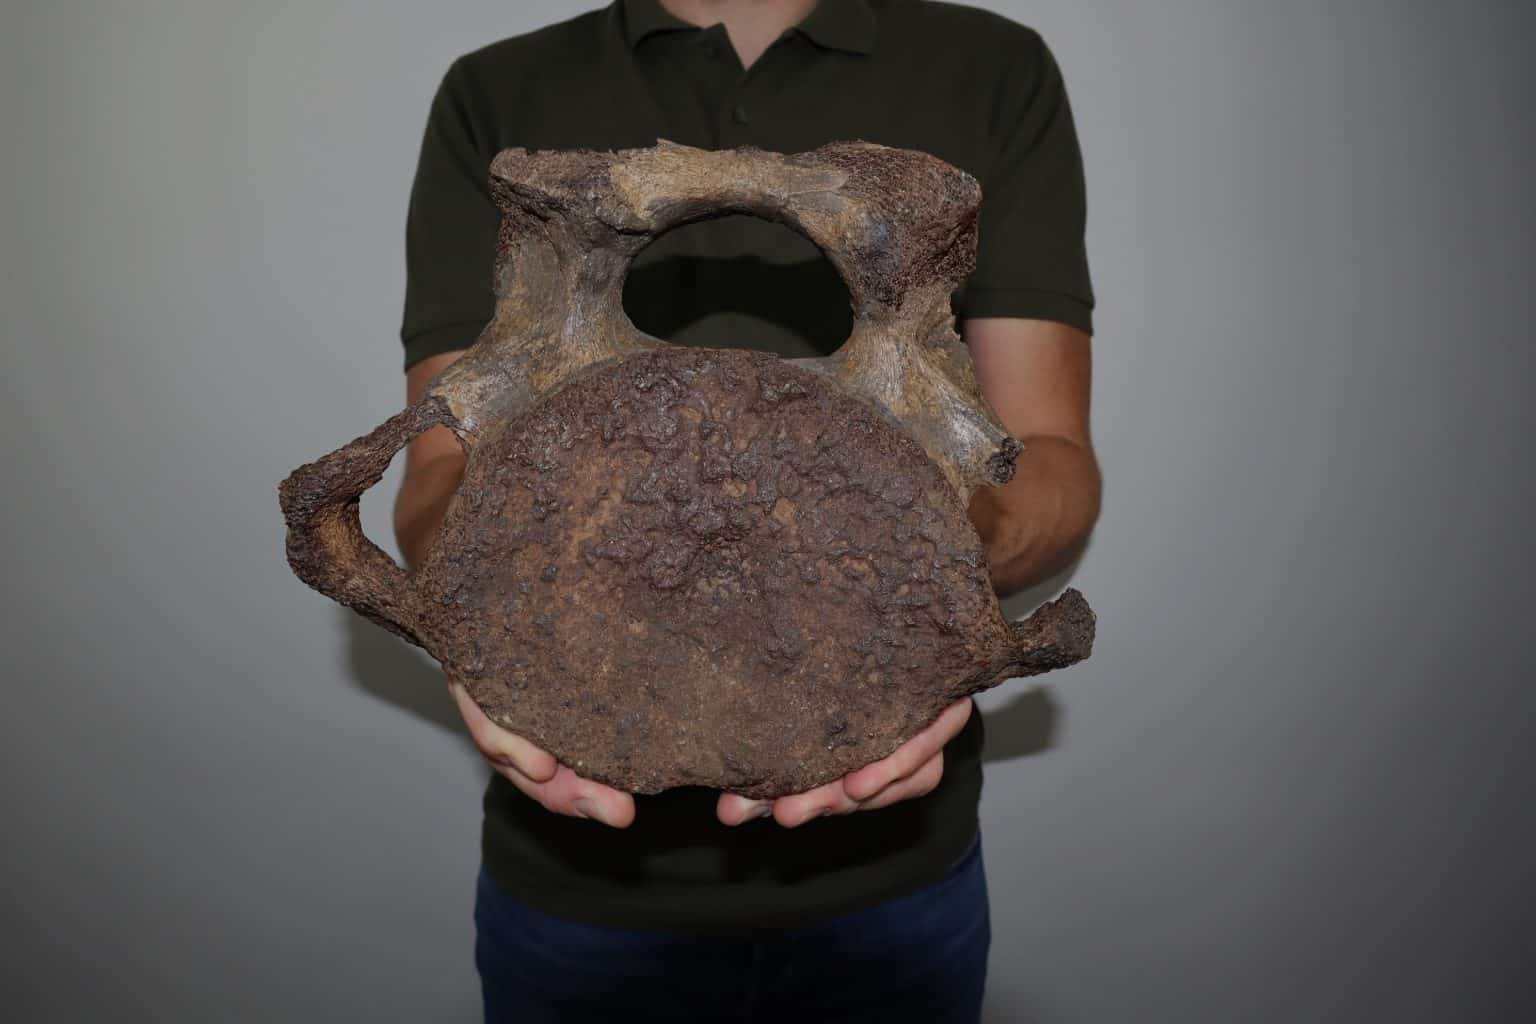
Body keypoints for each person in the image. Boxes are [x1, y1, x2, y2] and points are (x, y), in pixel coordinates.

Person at [392, 1, 1101, 1020]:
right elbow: (437, 476)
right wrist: (477, 619)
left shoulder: (991, 68)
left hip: (895, 869)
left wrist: (938, 613)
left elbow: (1050, 457)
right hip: (574, 876)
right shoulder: (495, 91)